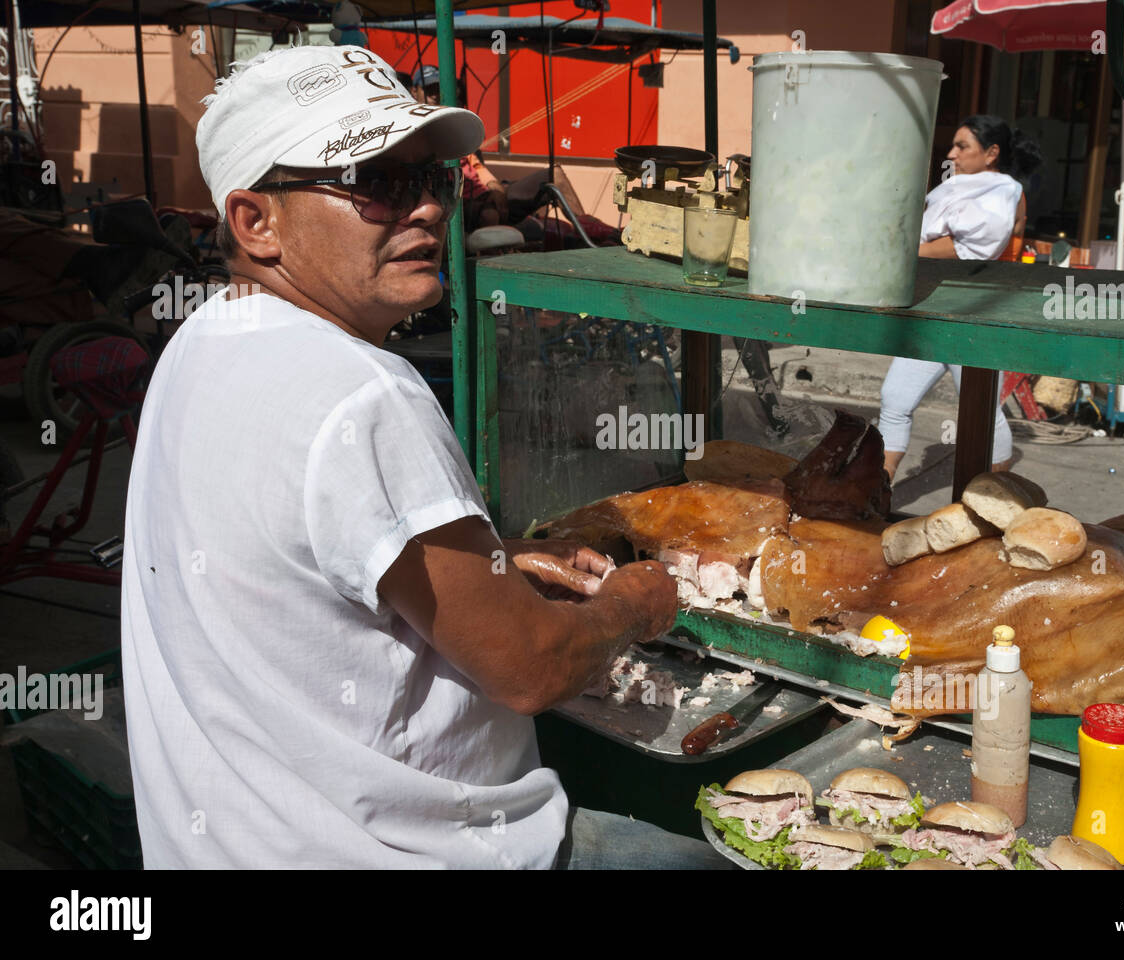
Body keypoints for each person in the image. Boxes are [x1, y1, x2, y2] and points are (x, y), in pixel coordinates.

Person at [120, 44, 727, 869]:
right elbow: (531, 670)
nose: (428, 211)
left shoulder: (203, 340)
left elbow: (304, 553)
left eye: (430, 181)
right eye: (377, 182)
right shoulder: (362, 390)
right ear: (255, 220)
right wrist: (632, 605)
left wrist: (503, 561)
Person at [878, 115, 1041, 480]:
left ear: (991, 153)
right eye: (952, 145)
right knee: (894, 400)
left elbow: (968, 248)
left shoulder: (1005, 191)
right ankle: (877, 489)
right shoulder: (962, 188)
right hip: (936, 311)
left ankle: (995, 498)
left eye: (962, 146)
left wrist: (907, 249)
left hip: (978, 317)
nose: (951, 153)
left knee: (980, 412)